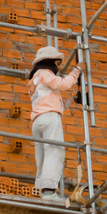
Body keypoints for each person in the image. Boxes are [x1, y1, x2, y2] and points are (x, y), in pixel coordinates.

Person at [27, 45, 81, 202]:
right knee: (54, 151)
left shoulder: (34, 82)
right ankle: (50, 192)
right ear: (49, 62)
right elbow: (63, 84)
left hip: (38, 121)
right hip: (50, 119)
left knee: (42, 156)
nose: (58, 67)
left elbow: (58, 104)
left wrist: (73, 100)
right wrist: (77, 70)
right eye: (56, 64)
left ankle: (41, 190)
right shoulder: (44, 73)